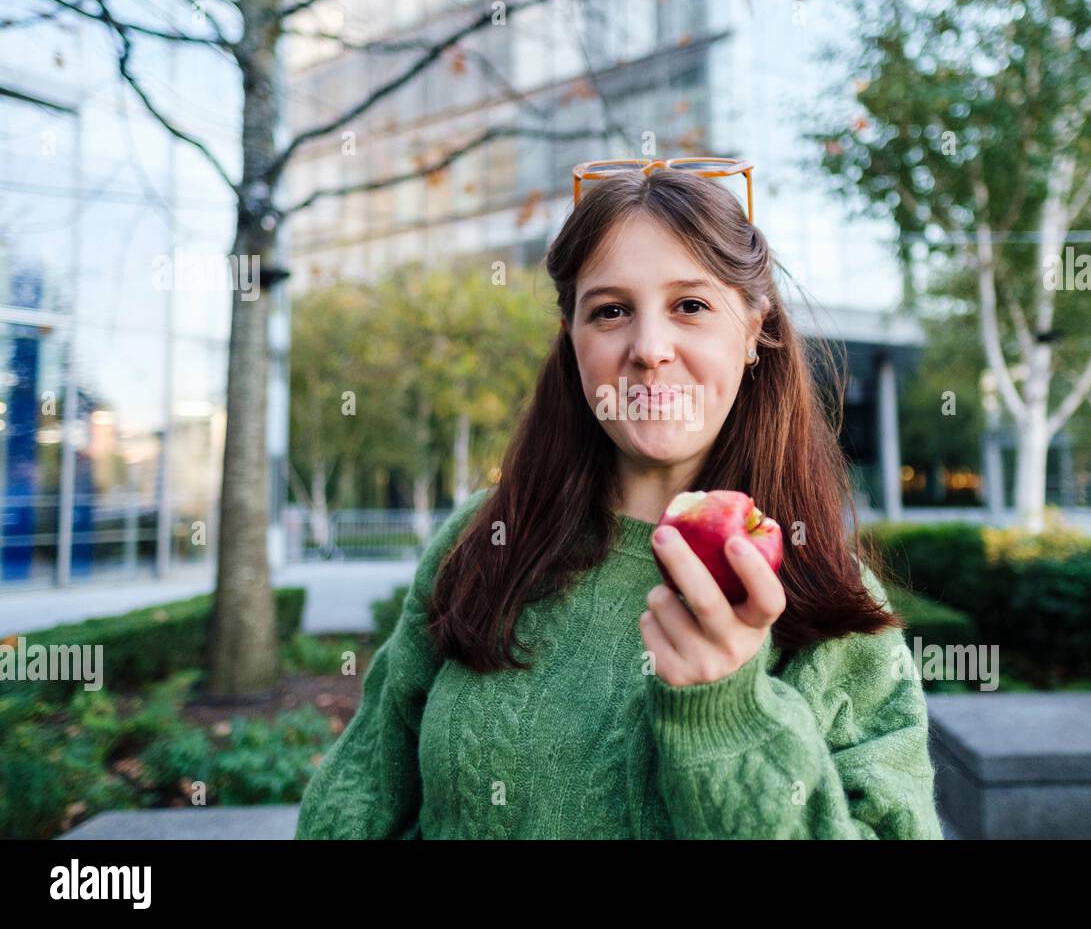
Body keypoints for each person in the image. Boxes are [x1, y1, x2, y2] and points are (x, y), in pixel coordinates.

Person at [294, 166, 944, 840]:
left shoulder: (830, 602)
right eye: (610, 311)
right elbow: (361, 791)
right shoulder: (483, 539)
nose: (649, 350)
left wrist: (727, 713)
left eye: (690, 306)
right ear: (572, 338)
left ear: (756, 330)